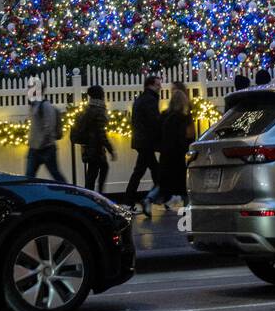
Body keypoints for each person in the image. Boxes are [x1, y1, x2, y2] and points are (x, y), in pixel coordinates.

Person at [148, 87, 196, 209]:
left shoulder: (165, 115)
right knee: (183, 183)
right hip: (179, 154)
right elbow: (186, 136)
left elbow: (157, 133)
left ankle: (149, 199)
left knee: (164, 183)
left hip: (166, 153)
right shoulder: (183, 117)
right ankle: (187, 207)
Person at [124, 75, 162, 213]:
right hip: (147, 141)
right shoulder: (149, 100)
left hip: (142, 141)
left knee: (153, 169)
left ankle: (157, 197)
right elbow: (154, 121)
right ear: (150, 85)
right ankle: (132, 202)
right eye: (158, 85)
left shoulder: (142, 99)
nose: (160, 87)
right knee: (141, 171)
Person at [70, 85, 116, 192]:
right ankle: (98, 196)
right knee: (97, 171)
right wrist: (110, 149)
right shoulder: (99, 110)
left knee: (93, 173)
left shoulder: (88, 109)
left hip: (89, 147)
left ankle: (93, 196)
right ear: (101, 95)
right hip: (95, 148)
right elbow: (101, 133)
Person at [26, 80, 66, 182]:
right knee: (29, 177)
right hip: (35, 147)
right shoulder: (34, 105)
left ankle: (68, 193)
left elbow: (49, 126)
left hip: (45, 148)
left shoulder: (45, 105)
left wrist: (41, 143)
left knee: (55, 174)